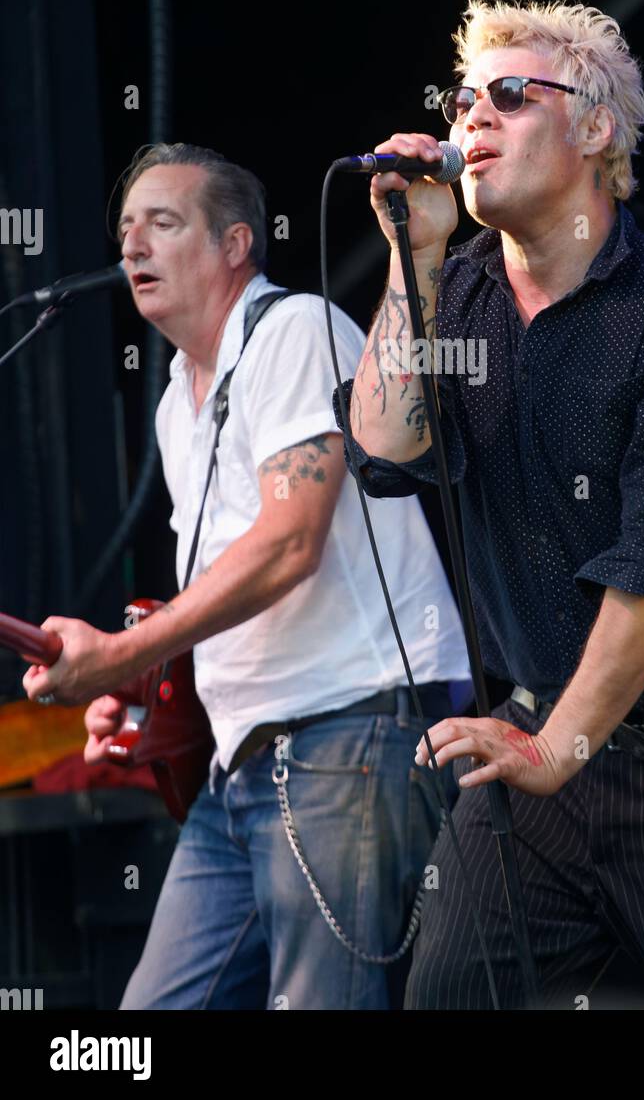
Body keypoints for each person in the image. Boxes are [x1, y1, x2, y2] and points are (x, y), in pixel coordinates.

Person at [337, 0, 644, 1011]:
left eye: (510, 96)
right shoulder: (459, 294)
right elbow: (384, 447)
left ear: (595, 127)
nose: (471, 118)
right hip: (533, 747)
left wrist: (555, 748)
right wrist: (412, 254)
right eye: (462, 99)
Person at [23, 142, 469, 1010]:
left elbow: (289, 541)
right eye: (125, 231)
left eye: (162, 223)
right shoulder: (170, 404)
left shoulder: (294, 328)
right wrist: (149, 688)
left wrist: (118, 654)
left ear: (236, 244)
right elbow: (219, 589)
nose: (133, 248)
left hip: (349, 736)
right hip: (245, 764)